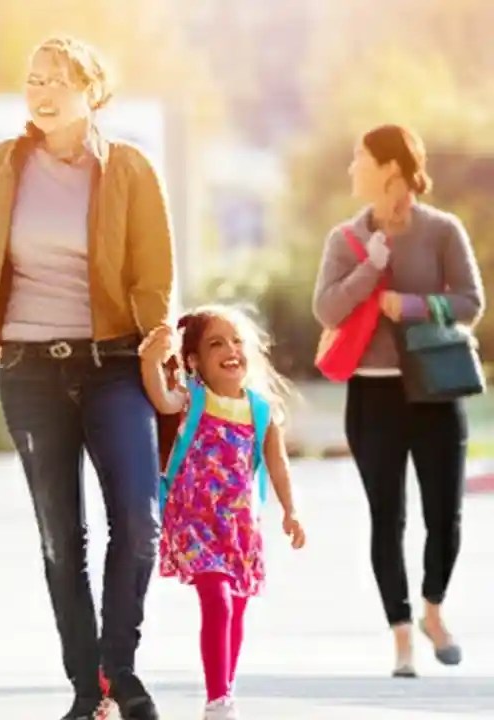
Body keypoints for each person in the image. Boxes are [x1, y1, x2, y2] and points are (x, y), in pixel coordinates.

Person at [0, 34, 174, 720]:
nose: (40, 92)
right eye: (32, 80)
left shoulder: (129, 168)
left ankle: (118, 669)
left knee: (137, 518)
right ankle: (85, 690)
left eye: (56, 81)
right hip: (28, 371)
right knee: (58, 535)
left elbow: (153, 278)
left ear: (91, 91)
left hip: (116, 366)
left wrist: (164, 359)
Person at [312, 124, 483, 677]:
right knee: (387, 518)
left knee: (445, 518)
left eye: (359, 157)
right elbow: (326, 311)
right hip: (373, 395)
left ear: (390, 168)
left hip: (435, 392)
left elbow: (470, 302)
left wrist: (407, 306)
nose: (351, 168)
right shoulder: (346, 238)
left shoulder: (442, 231)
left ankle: (434, 610)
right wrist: (371, 267)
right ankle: (403, 635)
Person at [139, 308, 306, 720]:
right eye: (216, 343)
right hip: (194, 521)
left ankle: (224, 691)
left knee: (236, 606)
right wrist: (149, 360)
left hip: (238, 526)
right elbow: (161, 397)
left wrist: (291, 510)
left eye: (236, 342)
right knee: (217, 599)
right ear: (194, 360)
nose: (231, 350)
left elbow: (277, 463)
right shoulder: (193, 400)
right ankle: (218, 700)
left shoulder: (261, 409)